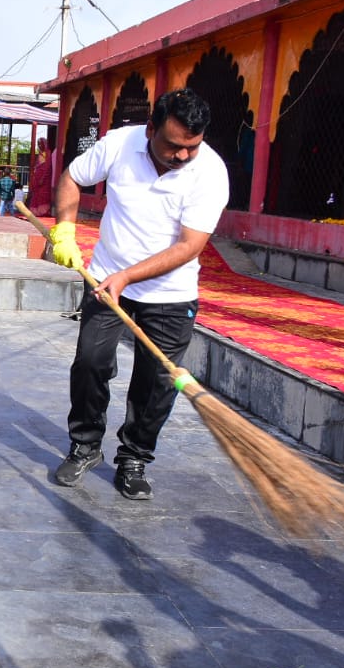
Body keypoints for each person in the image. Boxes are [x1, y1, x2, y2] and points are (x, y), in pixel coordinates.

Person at [48, 88, 229, 500]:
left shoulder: (211, 172)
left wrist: (128, 277)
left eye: (192, 147)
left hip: (170, 292)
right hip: (105, 279)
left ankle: (134, 457)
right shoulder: (120, 144)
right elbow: (73, 177)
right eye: (173, 145)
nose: (182, 156)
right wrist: (65, 229)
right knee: (90, 362)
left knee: (156, 381)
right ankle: (85, 444)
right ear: (150, 130)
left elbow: (190, 246)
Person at [27, 137, 53, 216]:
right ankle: (35, 212)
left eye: (40, 144)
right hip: (37, 179)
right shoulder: (39, 154)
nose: (39, 145)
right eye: (38, 144)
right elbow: (37, 166)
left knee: (43, 195)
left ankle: (43, 212)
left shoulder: (48, 153)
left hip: (44, 180)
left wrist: (43, 178)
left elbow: (48, 167)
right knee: (36, 195)